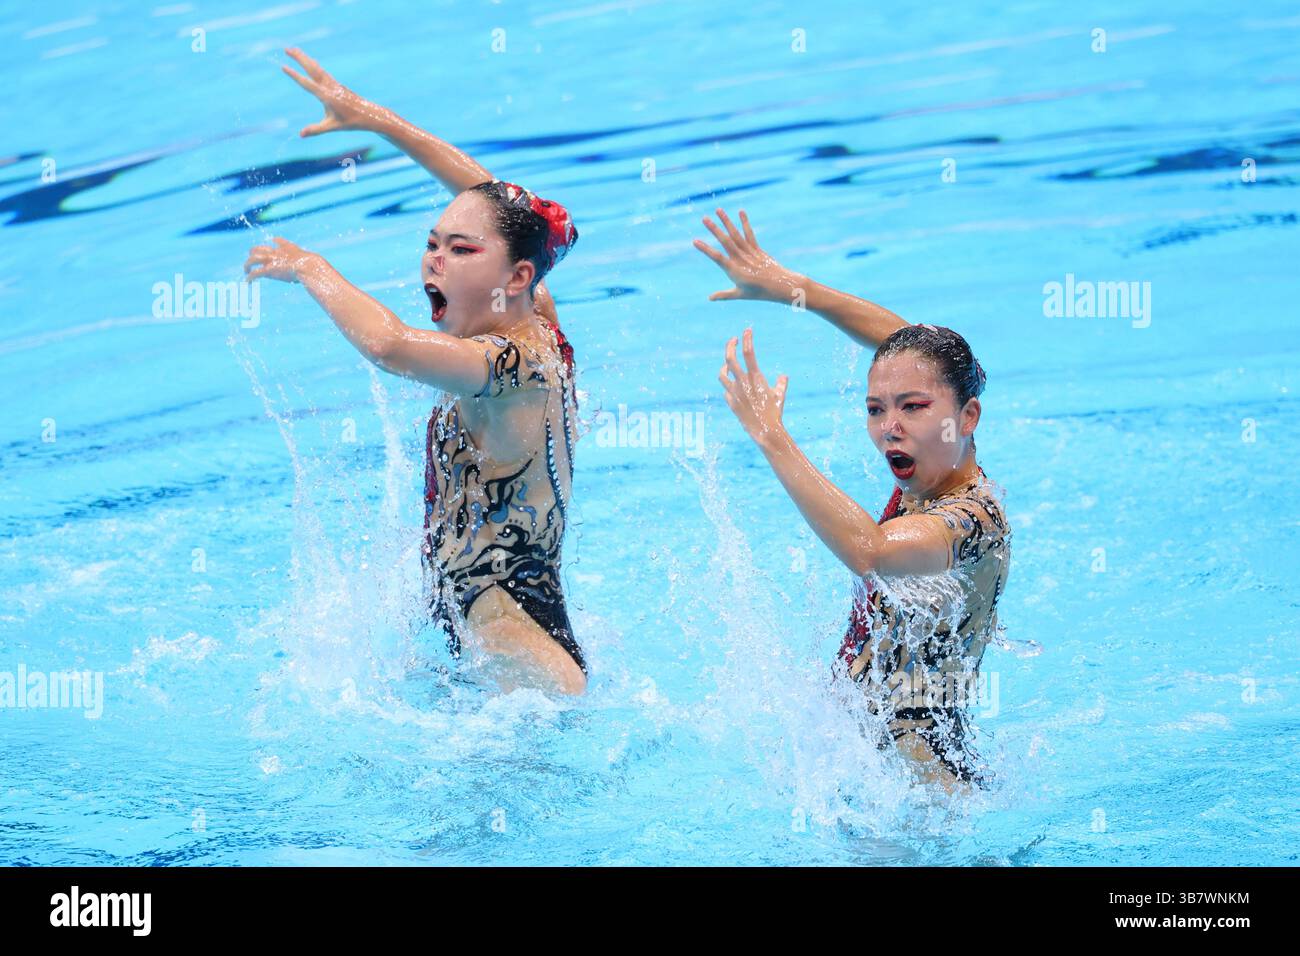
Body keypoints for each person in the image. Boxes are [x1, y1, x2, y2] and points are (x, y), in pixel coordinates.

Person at [243, 48, 587, 695]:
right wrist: (378, 121)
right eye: (433, 243)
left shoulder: (511, 363)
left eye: (461, 251)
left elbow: (389, 345)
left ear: (513, 276)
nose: (435, 263)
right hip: (506, 619)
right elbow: (489, 200)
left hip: (513, 642)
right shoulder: (532, 310)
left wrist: (311, 267)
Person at [694, 207, 1011, 791]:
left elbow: (870, 550)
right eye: (875, 409)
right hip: (871, 767)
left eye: (912, 407)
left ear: (968, 416)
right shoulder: (932, 466)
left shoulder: (971, 518)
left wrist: (772, 436)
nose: (890, 426)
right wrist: (791, 287)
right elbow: (910, 346)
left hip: (923, 786)